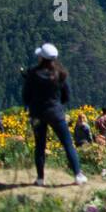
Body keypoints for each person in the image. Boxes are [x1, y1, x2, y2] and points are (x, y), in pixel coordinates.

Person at [20, 43, 87, 186]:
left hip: (37, 114)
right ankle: (77, 175)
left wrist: (29, 106)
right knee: (67, 144)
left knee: (40, 146)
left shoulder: (32, 74)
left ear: (41, 58)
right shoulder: (60, 74)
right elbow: (66, 96)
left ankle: (40, 178)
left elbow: (26, 95)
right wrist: (58, 104)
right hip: (55, 113)